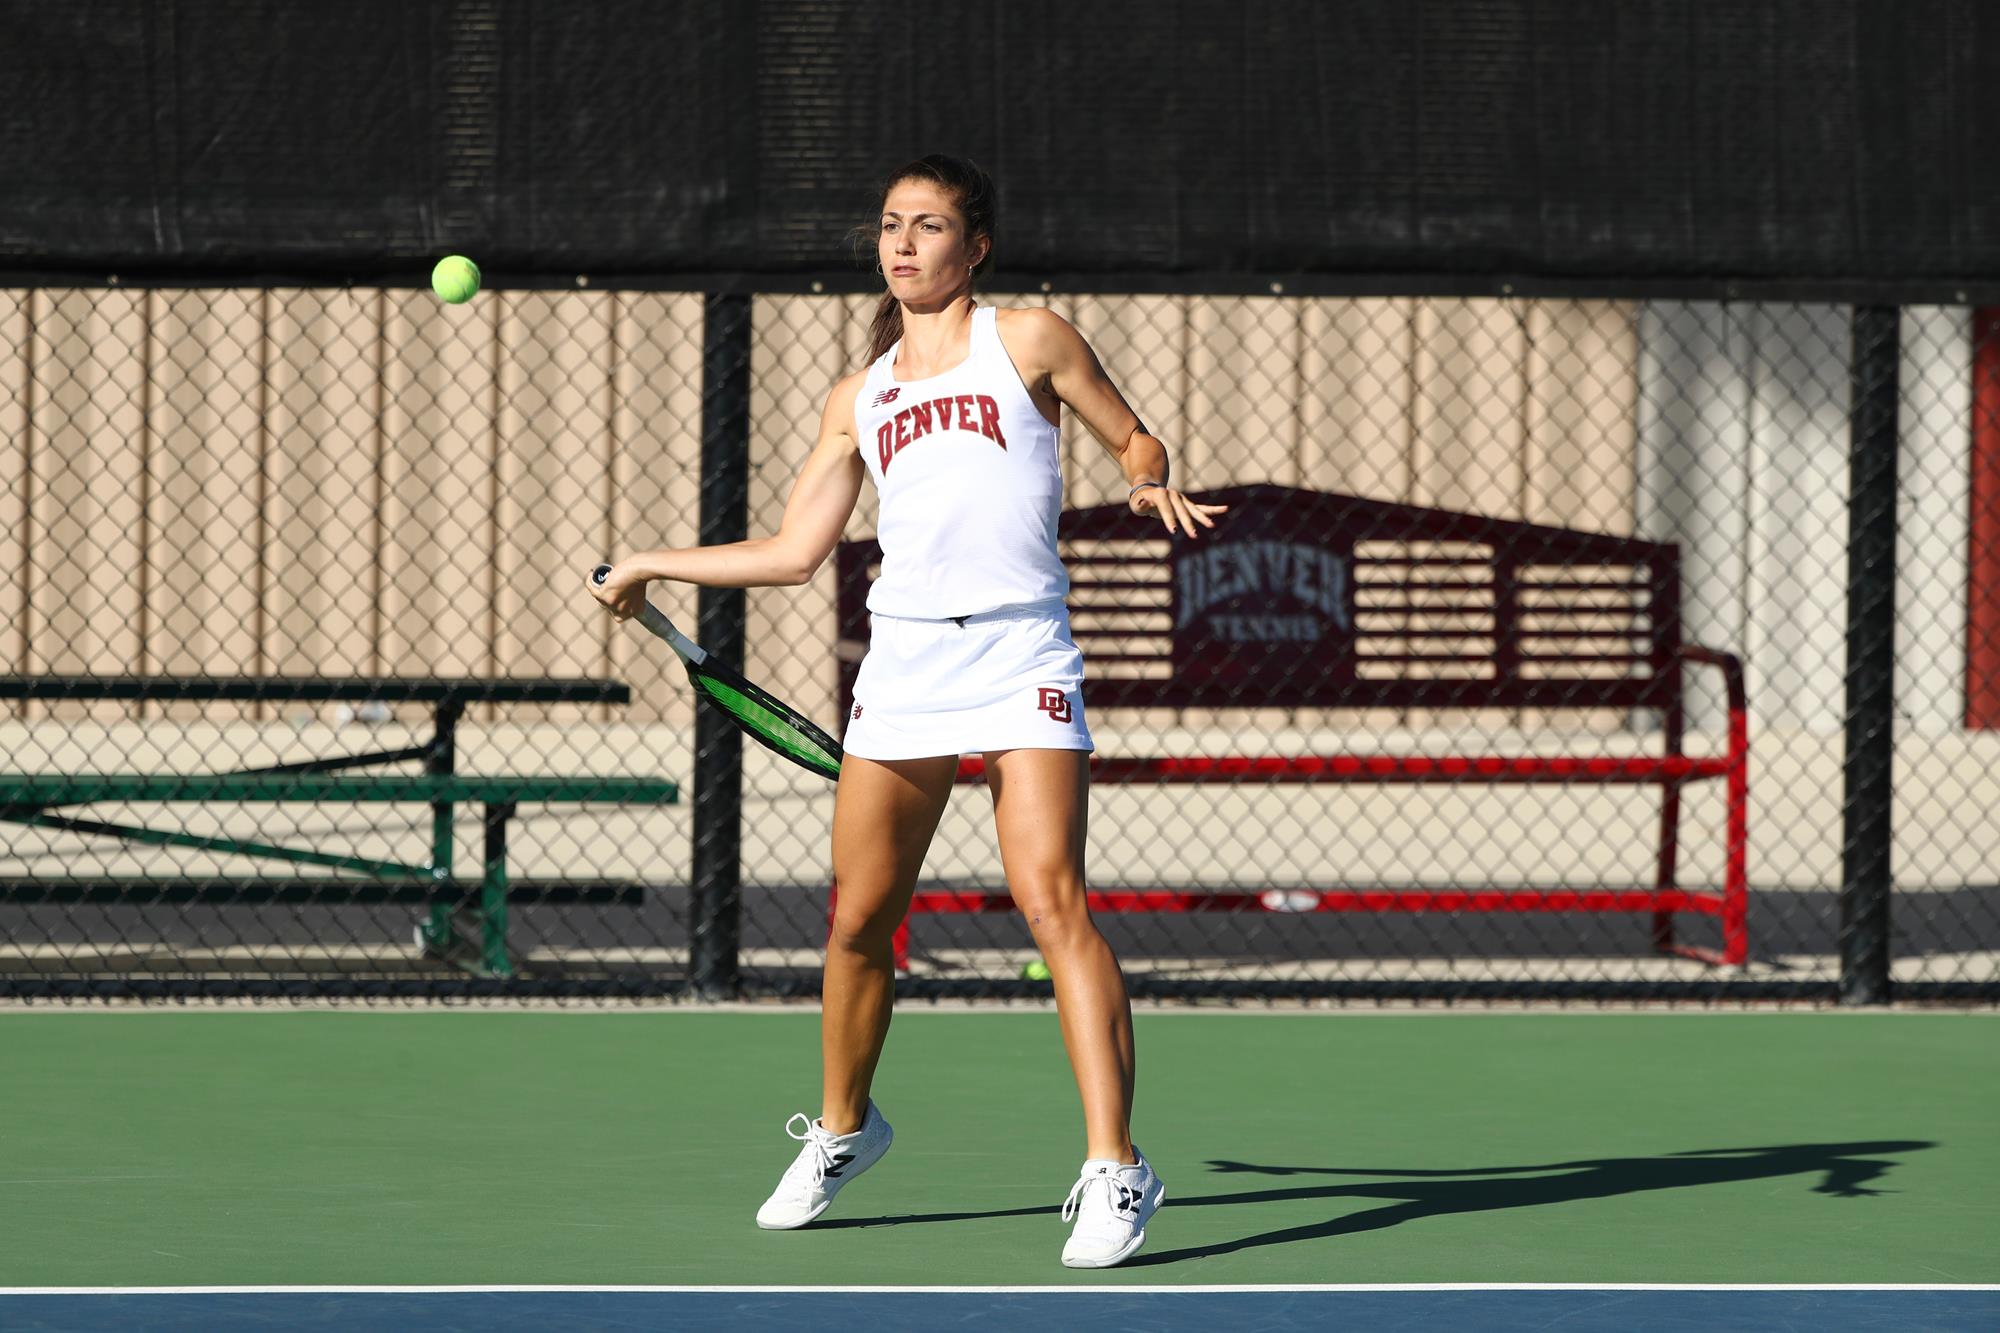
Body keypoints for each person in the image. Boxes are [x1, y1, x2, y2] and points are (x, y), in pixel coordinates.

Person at [591, 153, 1226, 1269]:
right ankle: (845, 1127)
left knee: (1049, 900)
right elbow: (794, 553)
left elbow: (1133, 436)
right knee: (856, 924)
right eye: (891, 224)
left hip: (1023, 649)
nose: (904, 243)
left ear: (973, 247)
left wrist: (1142, 469)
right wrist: (649, 560)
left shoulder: (1029, 339)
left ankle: (1114, 1168)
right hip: (903, 673)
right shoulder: (860, 395)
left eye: (929, 226)